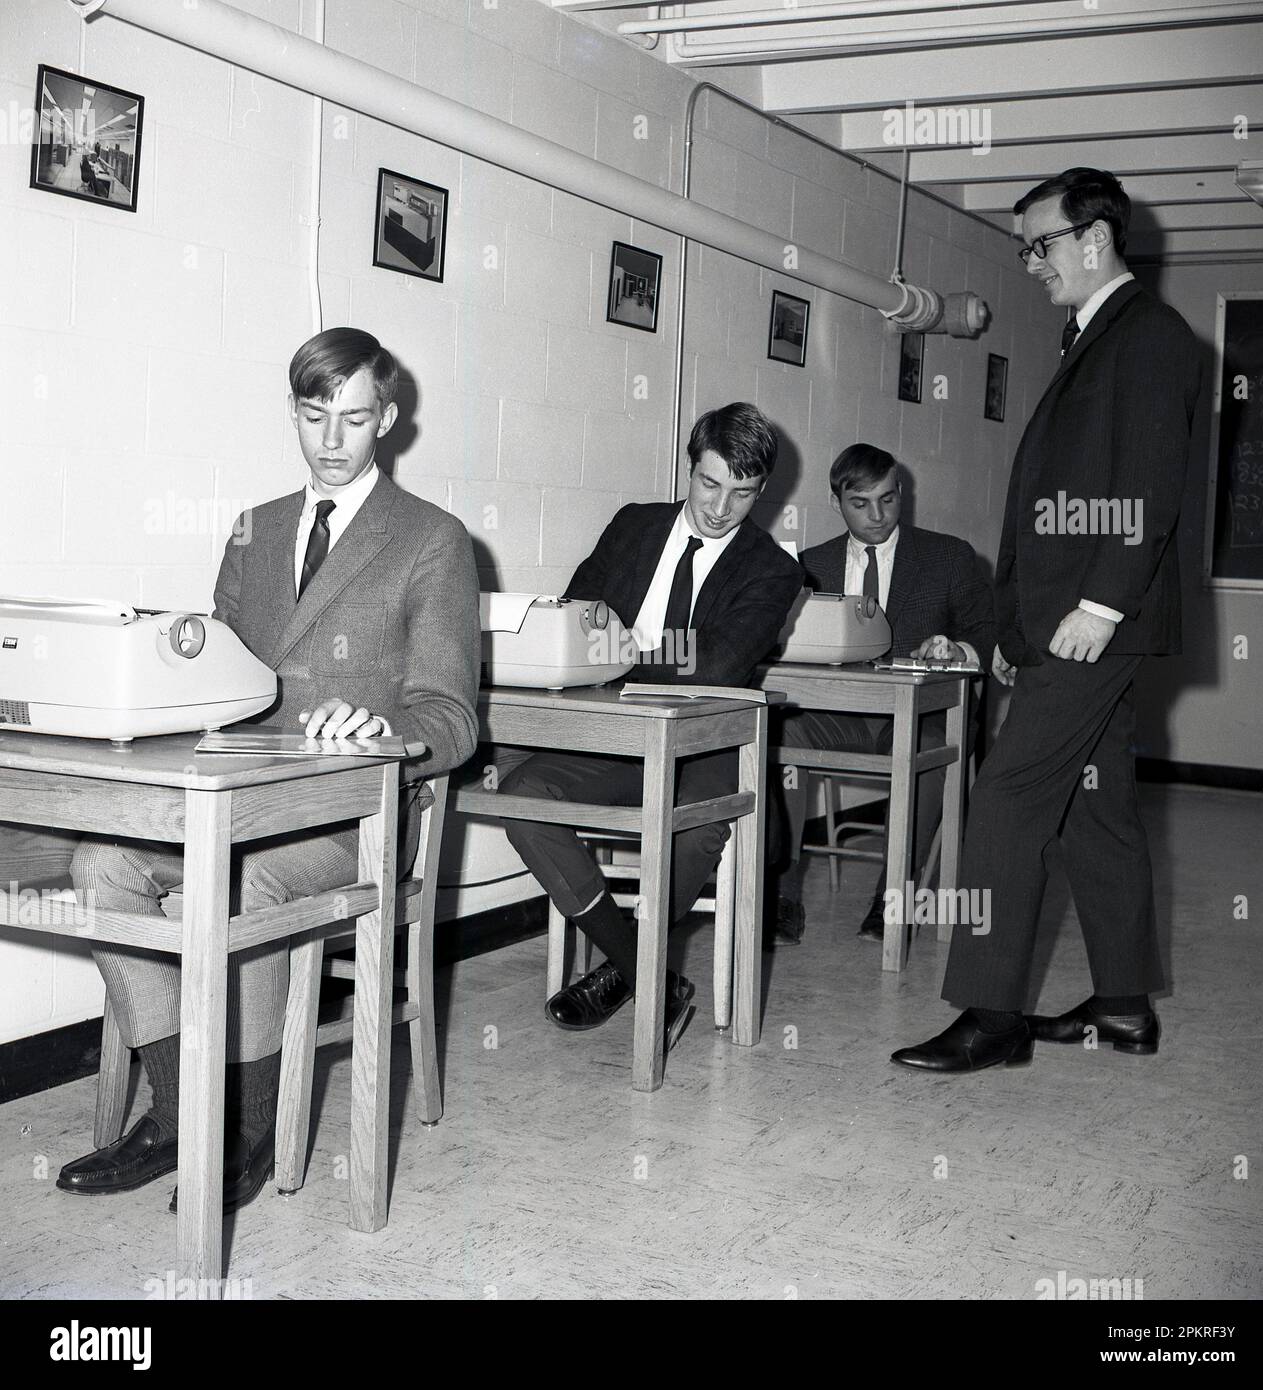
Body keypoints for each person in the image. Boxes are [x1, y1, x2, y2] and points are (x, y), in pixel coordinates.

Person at [59, 327, 481, 1208]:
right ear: (294, 410)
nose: (331, 441)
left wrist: (383, 725)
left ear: (389, 421)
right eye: (313, 415)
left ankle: (244, 1128)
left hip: (349, 820)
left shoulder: (432, 541)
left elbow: (453, 717)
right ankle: (183, 1119)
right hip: (238, 801)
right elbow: (210, 676)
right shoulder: (257, 527)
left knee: (243, 885)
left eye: (355, 419)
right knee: (99, 863)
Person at [892, 168, 1201, 1073]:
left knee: (1006, 799)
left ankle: (990, 1018)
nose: (1029, 262)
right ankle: (1122, 1006)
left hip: (1094, 618)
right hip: (1064, 619)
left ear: (1093, 238)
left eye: (1039, 243)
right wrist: (1012, 627)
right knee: (1094, 812)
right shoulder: (1096, 338)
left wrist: (1099, 606)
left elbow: (1147, 484)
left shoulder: (1146, 337)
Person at [500, 403, 803, 1051]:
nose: (720, 508)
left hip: (707, 741)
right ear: (688, 468)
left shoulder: (772, 568)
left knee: (695, 830)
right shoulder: (633, 526)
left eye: (742, 493)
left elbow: (717, 663)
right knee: (522, 799)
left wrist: (625, 649)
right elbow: (577, 621)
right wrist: (618, 649)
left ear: (762, 491)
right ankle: (646, 971)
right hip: (617, 735)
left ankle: (619, 970)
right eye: (709, 484)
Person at [771, 443, 995, 944]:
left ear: (902, 494)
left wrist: (956, 649)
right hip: (844, 718)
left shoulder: (949, 557)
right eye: (861, 504)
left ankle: (892, 897)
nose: (878, 516)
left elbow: (990, 634)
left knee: (929, 753)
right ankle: (781, 893)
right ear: (836, 502)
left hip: (921, 718)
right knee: (773, 736)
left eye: (889, 500)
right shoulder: (809, 565)